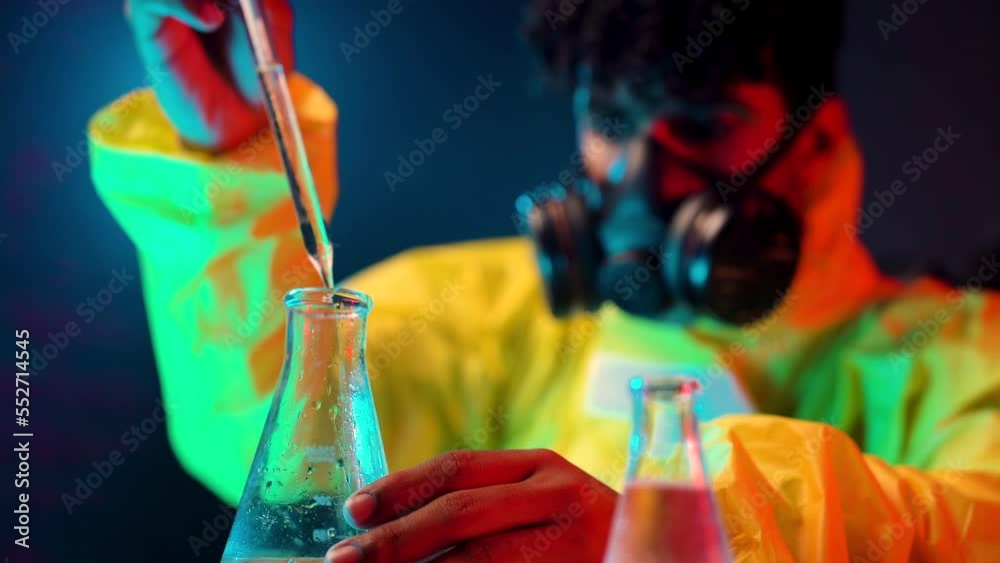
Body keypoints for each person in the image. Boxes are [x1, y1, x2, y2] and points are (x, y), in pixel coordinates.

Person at [89, 0, 1000, 561]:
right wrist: (232, 150)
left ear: (817, 143)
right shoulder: (482, 315)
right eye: (614, 116)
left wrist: (661, 535)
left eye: (705, 120)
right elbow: (278, 450)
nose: (645, 172)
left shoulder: (954, 354)